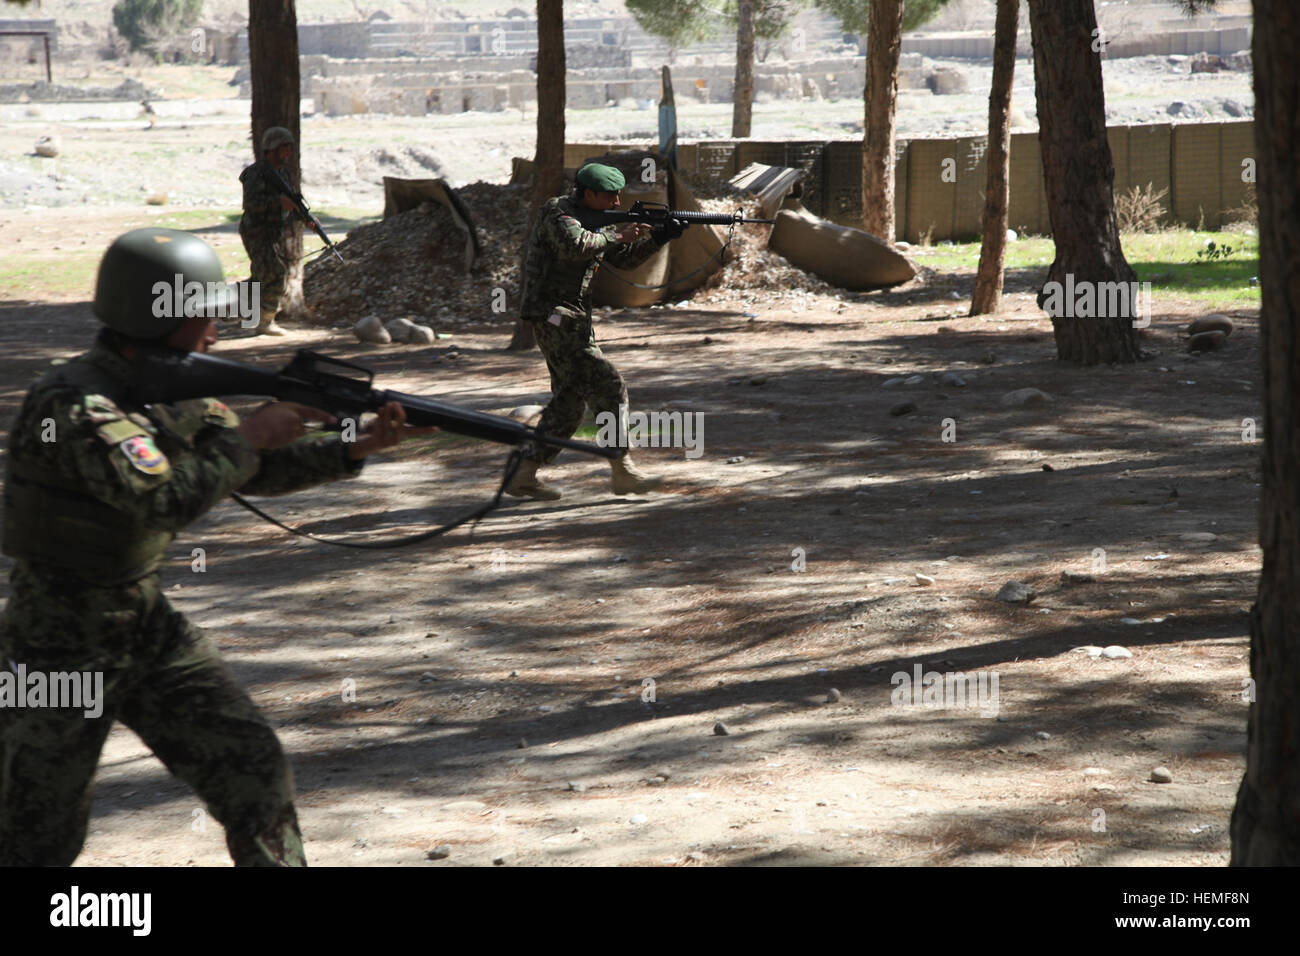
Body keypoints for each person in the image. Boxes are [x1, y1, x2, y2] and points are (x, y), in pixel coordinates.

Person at [0, 228, 427, 867]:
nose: (215, 332)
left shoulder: (172, 390)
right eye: (203, 314)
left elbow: (252, 471)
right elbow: (163, 500)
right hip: (56, 642)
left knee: (251, 767)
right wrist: (250, 434)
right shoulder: (73, 404)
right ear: (158, 314)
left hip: (145, 626)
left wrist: (355, 447)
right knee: (38, 833)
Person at [508, 162, 685, 500]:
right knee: (608, 383)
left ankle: (524, 473)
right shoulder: (556, 213)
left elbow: (625, 260)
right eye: (609, 196)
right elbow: (575, 246)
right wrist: (619, 232)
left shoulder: (601, 221)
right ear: (588, 194)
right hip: (554, 317)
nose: (617, 203)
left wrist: (659, 237)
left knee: (570, 403)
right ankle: (622, 469)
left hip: (574, 318)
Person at [239, 125, 299, 337]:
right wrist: (278, 202)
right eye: (284, 148)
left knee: (263, 274)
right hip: (256, 230)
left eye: (289, 148)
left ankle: (246, 313)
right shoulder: (256, 173)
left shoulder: (282, 173)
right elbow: (251, 204)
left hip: (272, 232)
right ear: (272, 149)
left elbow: (291, 202)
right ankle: (263, 320)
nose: (288, 153)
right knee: (275, 272)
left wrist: (304, 217)